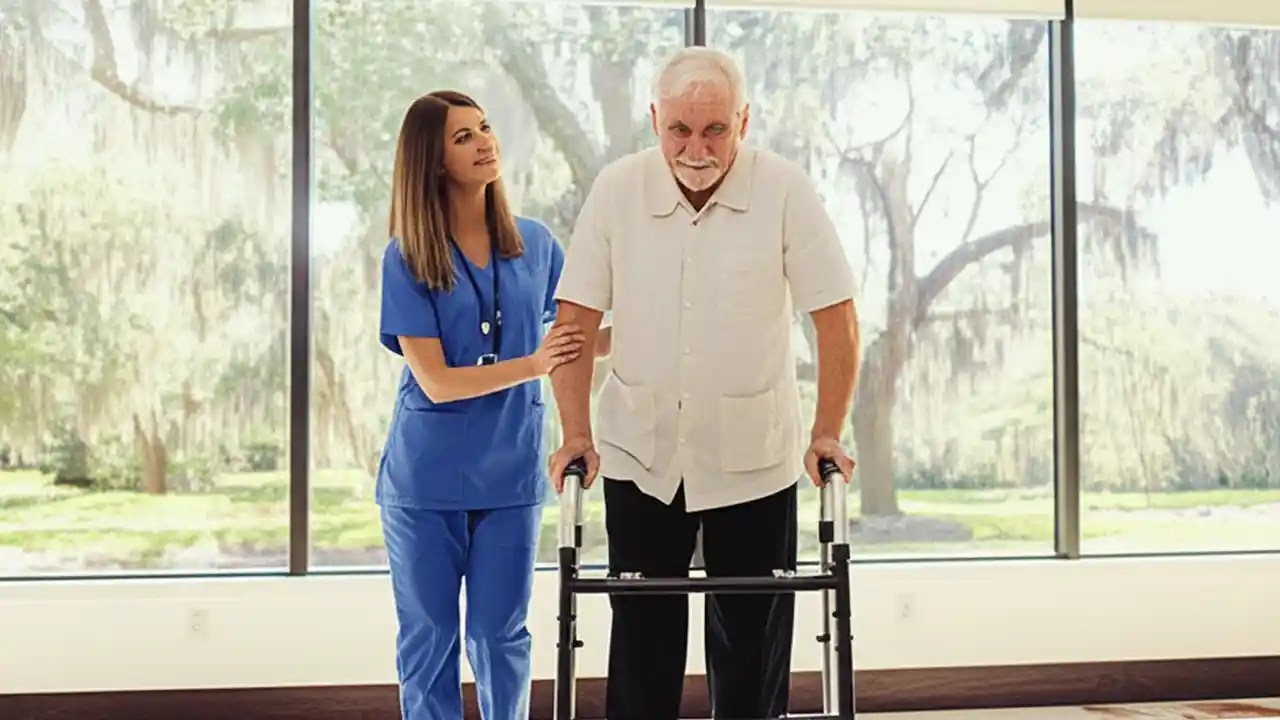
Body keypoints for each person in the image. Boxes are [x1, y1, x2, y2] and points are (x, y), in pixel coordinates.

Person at [547, 47, 862, 719]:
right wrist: (575, 433)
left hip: (754, 457)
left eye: (715, 129)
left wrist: (826, 429)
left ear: (743, 122)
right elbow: (575, 323)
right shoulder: (617, 189)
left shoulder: (782, 189)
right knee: (642, 643)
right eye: (679, 130)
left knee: (750, 645)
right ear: (654, 119)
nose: (696, 147)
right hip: (642, 452)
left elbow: (835, 318)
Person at [375, 89, 594, 720]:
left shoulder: (535, 243)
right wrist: (533, 363)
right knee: (430, 641)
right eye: (463, 137)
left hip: (511, 476)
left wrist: (653, 327)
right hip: (426, 482)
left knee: (501, 639)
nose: (485, 142)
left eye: (486, 128)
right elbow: (437, 380)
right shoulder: (408, 256)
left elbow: (575, 341)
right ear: (432, 159)